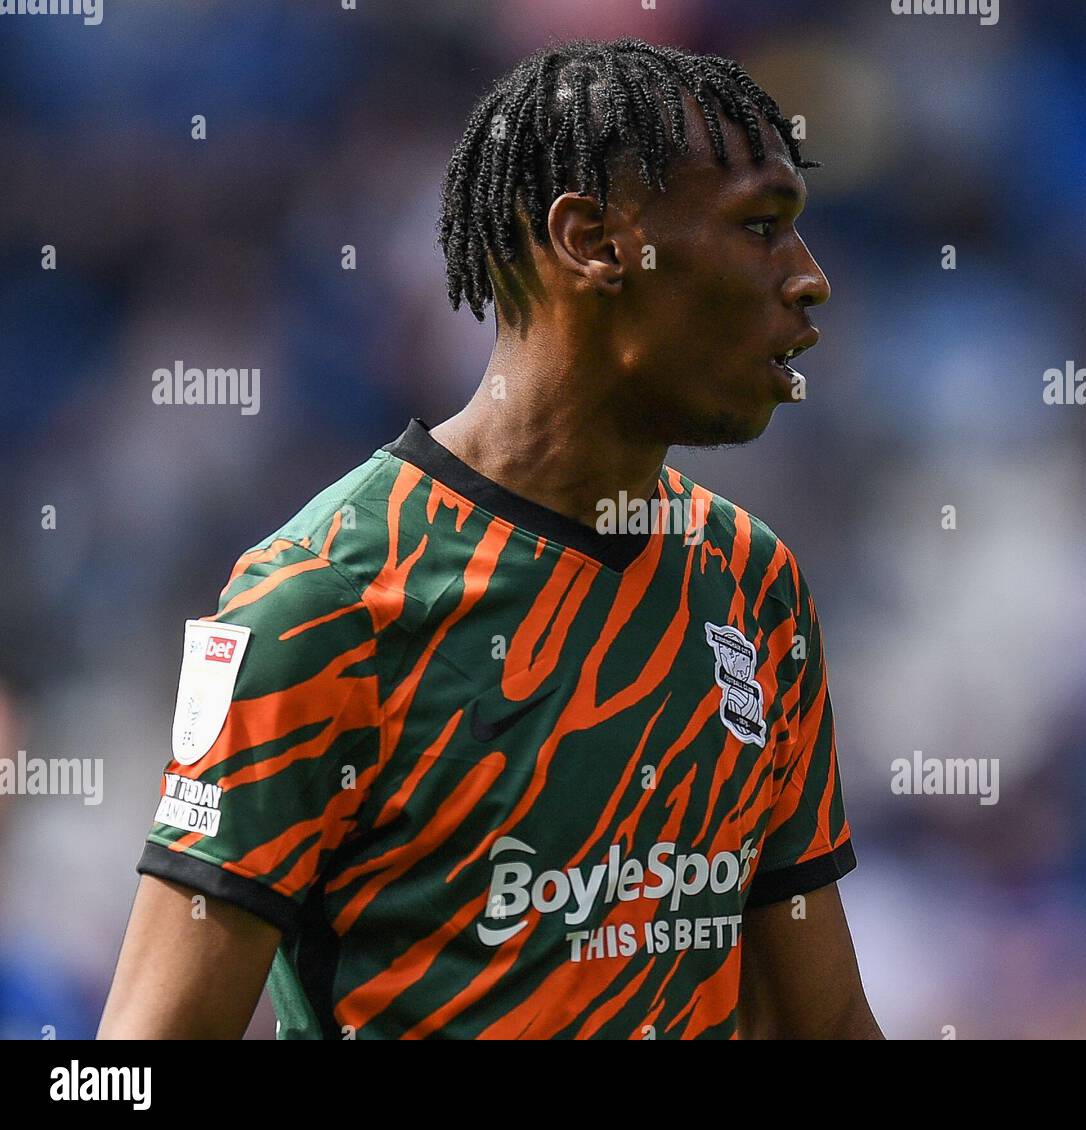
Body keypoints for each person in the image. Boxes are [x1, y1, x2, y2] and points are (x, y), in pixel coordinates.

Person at [99, 37, 883, 1040]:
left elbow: (824, 1019)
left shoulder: (751, 582)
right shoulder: (320, 602)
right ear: (594, 240)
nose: (810, 280)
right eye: (760, 227)